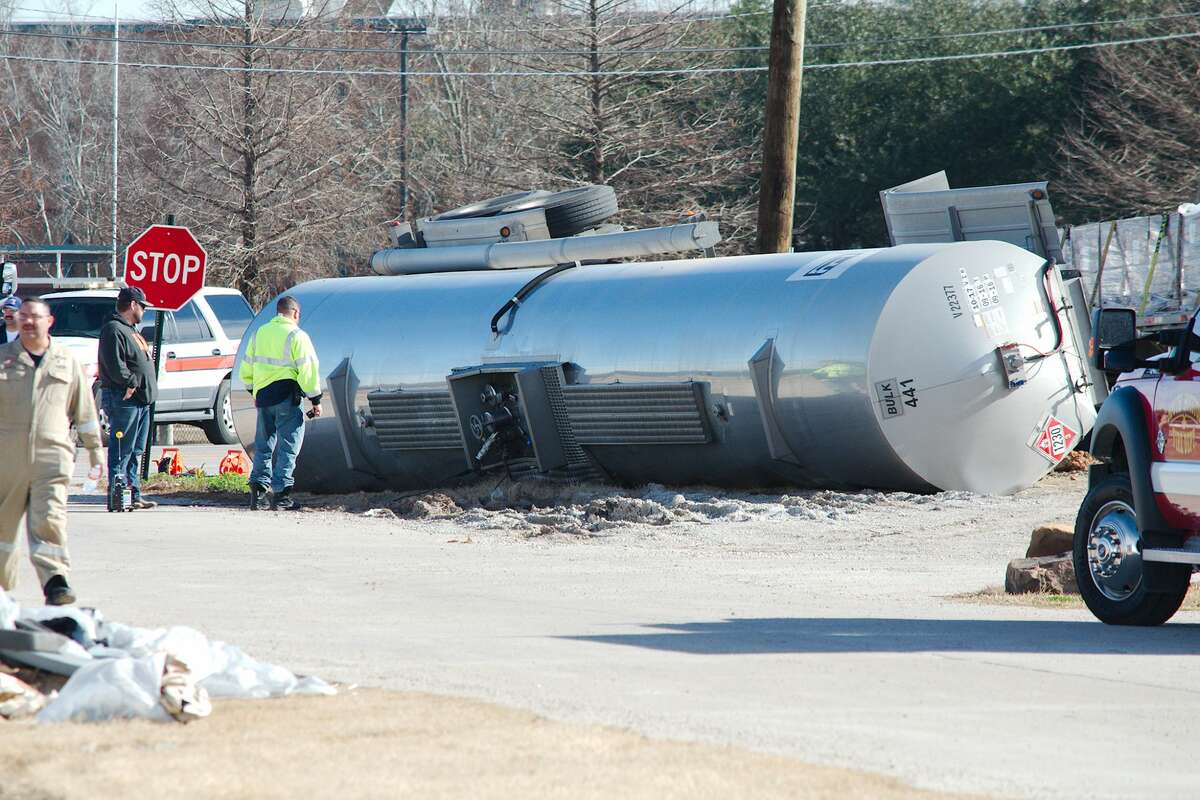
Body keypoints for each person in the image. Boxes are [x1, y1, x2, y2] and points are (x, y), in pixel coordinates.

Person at [0, 298, 104, 605]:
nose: (29, 322)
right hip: (7, 460)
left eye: (35, 316)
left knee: (50, 519)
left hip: (52, 456)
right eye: (24, 317)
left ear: (49, 321)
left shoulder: (66, 360)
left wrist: (95, 451)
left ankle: (56, 582)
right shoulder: (3, 359)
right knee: (3, 527)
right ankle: (4, 590)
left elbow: (84, 410)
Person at [238, 295, 322, 510]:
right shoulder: (297, 335)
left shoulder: (259, 333)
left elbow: (245, 370)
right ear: (295, 313)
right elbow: (308, 370)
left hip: (263, 397)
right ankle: (282, 496)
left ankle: (258, 495)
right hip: (287, 397)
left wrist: (255, 391)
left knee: (263, 446)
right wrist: (315, 399)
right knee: (288, 446)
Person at [97, 286, 158, 510]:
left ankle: (133, 495)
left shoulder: (130, 329)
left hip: (141, 401)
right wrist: (131, 382)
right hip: (125, 399)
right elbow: (114, 364)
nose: (144, 310)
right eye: (142, 306)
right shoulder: (113, 329)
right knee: (122, 449)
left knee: (135, 451)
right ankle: (117, 495)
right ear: (132, 305)